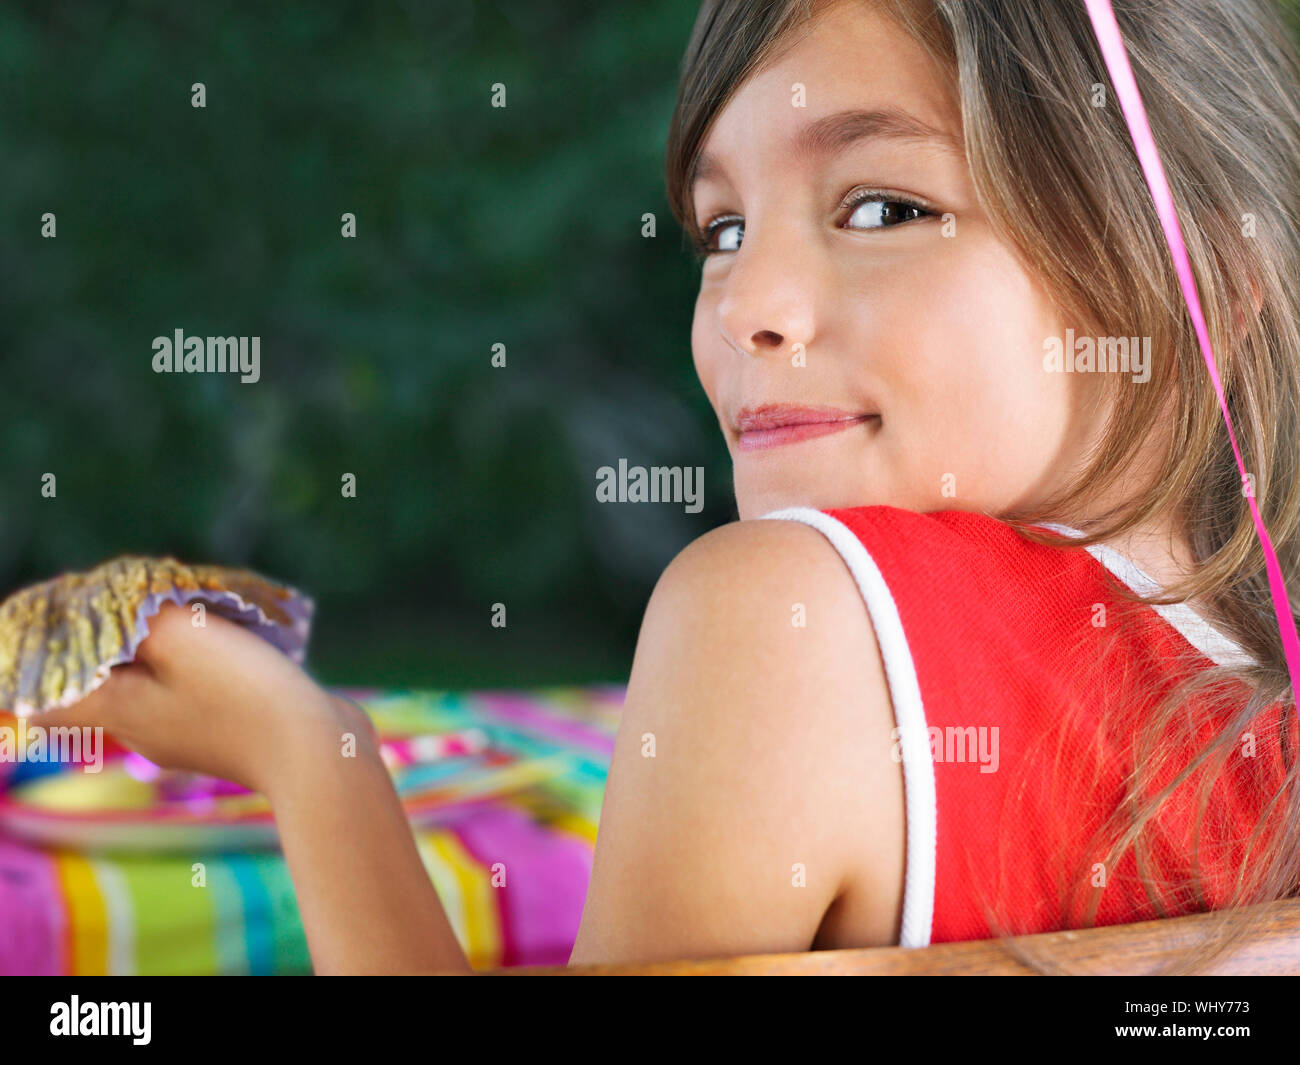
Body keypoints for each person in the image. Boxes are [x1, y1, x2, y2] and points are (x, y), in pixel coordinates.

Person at [39, 0, 1300, 974]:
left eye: (881, 206)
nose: (746, 308)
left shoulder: (787, 618)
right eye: (723, 229)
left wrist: (305, 751)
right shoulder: (1258, 704)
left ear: (1204, 289)